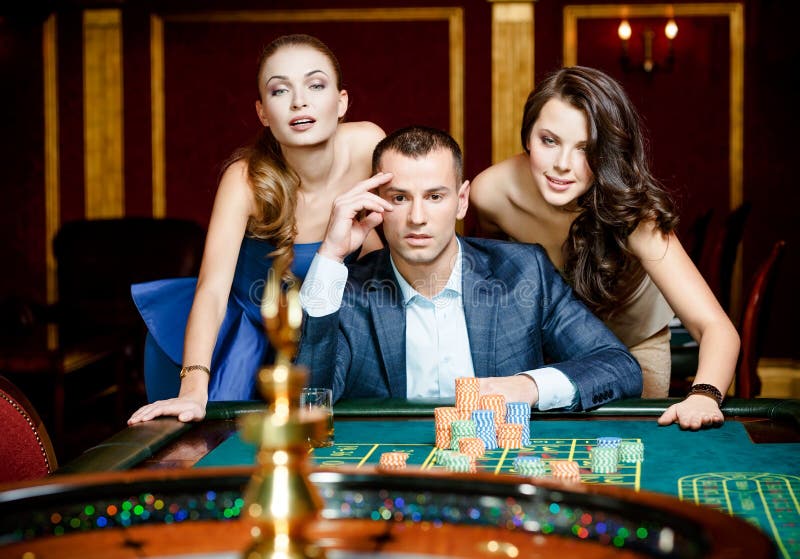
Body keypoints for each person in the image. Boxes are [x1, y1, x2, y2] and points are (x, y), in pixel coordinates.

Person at [128, 34, 385, 424]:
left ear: (342, 101)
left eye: (316, 85)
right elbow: (212, 289)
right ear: (263, 112)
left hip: (322, 336)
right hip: (235, 337)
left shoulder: (370, 144)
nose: (300, 101)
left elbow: (386, 240)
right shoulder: (244, 179)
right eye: (280, 91)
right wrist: (194, 387)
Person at [296, 125, 642, 410]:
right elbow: (307, 404)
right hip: (394, 481)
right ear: (377, 203)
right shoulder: (348, 289)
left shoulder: (524, 273)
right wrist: (330, 255)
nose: (418, 218)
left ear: (461, 201)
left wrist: (528, 386)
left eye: (435, 196)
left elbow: (619, 367)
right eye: (400, 198)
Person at [469, 66, 739, 429]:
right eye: (549, 140)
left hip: (632, 347)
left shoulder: (633, 212)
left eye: (586, 149)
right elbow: (489, 278)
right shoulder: (490, 194)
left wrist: (705, 394)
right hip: (549, 352)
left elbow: (717, 327)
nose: (563, 165)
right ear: (527, 138)